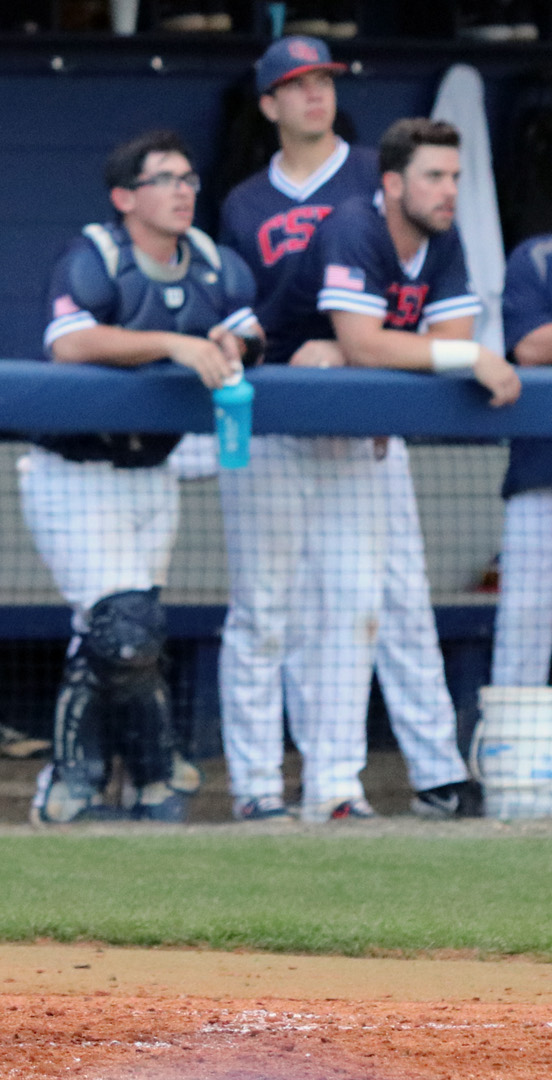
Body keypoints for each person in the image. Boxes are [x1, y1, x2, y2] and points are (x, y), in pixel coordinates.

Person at [218, 38, 485, 821]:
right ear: (269, 104)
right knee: (272, 606)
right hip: (277, 411)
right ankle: (261, 786)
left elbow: (389, 314)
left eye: (325, 81)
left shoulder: (383, 176)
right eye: (296, 85)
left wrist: (370, 375)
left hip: (365, 420)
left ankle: (377, 777)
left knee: (375, 600)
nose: (315, 95)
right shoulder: (243, 202)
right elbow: (251, 310)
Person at [23, 131, 251, 825]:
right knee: (120, 627)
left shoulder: (211, 261)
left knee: (129, 631)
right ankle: (88, 784)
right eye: (165, 179)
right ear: (126, 197)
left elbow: (249, 330)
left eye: (189, 178)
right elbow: (69, 344)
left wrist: (234, 344)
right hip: (75, 471)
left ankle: (127, 786)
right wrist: (175, 344)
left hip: (153, 471)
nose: (184, 190)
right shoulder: (95, 255)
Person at [491, 233, 552, 687]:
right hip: (541, 474)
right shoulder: (536, 256)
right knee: (525, 622)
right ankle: (513, 751)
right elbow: (531, 346)